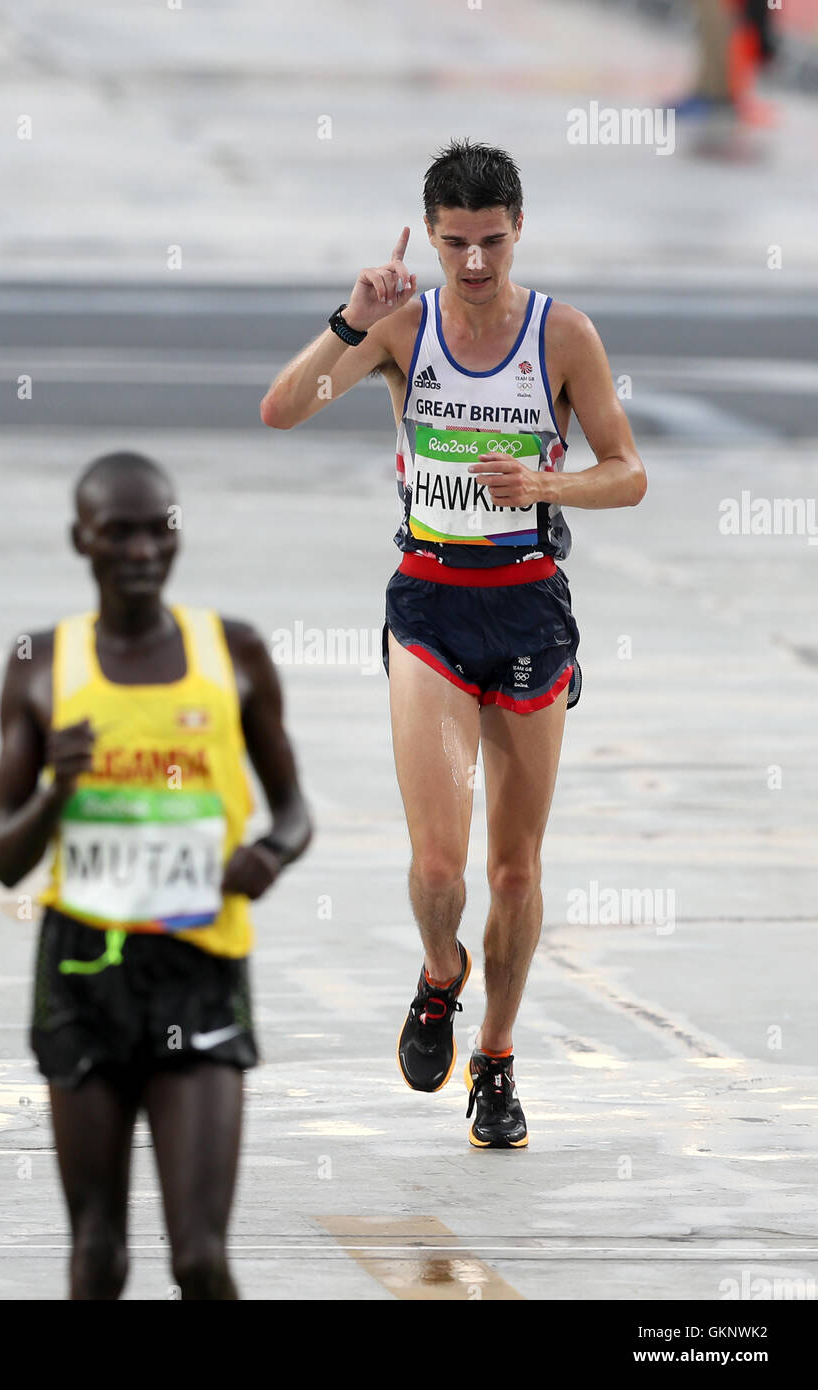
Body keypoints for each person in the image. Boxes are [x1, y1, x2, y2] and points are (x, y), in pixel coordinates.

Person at [260, 141, 646, 1149]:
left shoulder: (563, 335)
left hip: (526, 610)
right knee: (441, 867)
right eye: (455, 243)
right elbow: (282, 410)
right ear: (430, 237)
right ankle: (441, 976)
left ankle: (499, 1056)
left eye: (491, 241)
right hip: (428, 602)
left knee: (515, 874)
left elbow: (629, 472)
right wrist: (349, 316)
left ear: (519, 227)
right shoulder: (400, 322)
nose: (474, 263)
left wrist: (547, 486)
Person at [0, 451, 312, 1297]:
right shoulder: (40, 666)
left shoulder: (234, 653)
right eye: (119, 533)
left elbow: (294, 809)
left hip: (198, 971)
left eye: (158, 530)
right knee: (98, 1254)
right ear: (81, 540)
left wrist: (270, 855)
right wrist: (57, 792)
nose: (141, 551)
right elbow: (4, 859)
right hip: (82, 972)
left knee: (200, 1258)